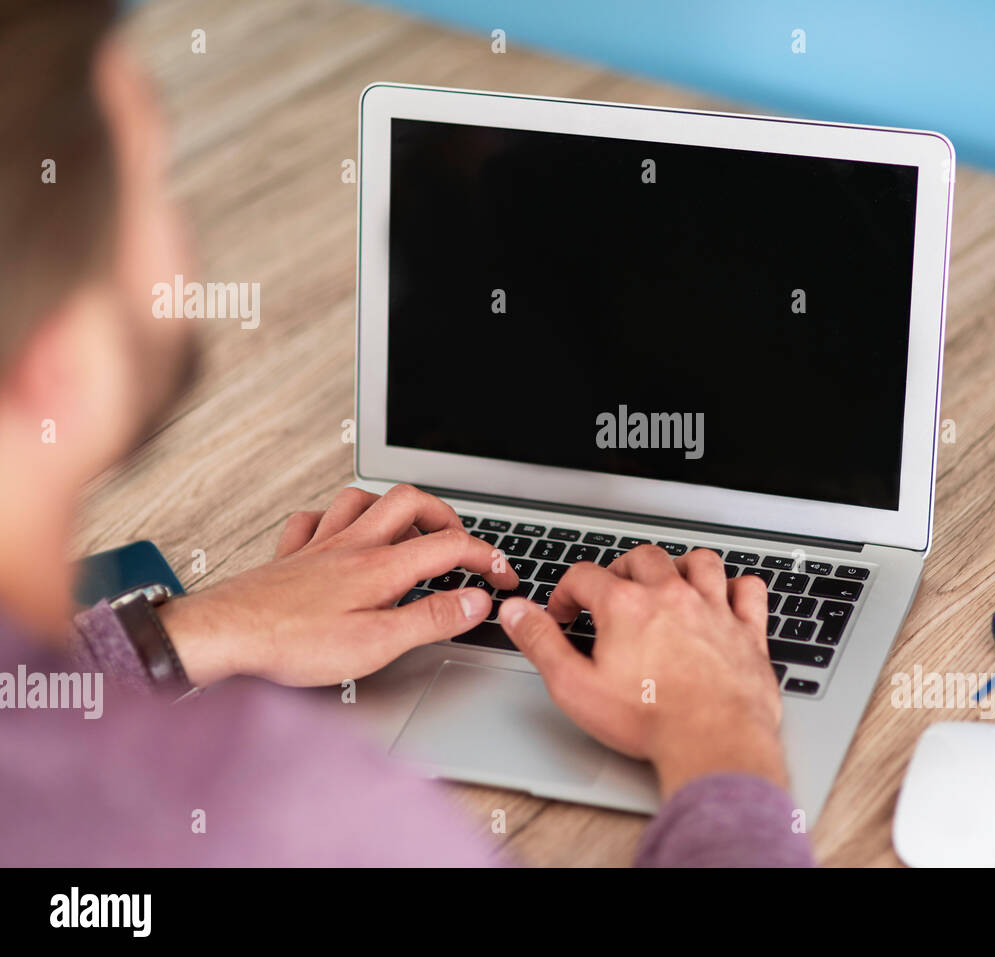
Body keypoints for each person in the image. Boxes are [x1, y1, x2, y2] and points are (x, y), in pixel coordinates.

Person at [0, 0, 812, 867]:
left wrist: (179, 638)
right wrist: (723, 740)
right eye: (152, 180)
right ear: (59, 360)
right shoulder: (287, 820)